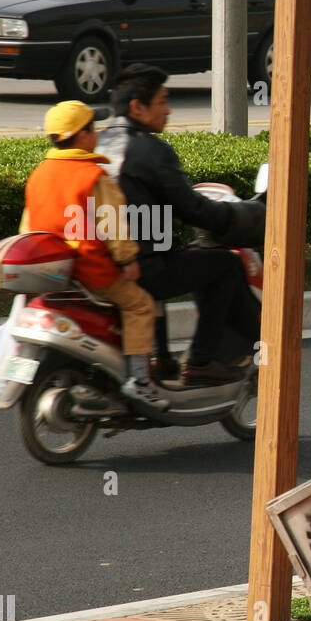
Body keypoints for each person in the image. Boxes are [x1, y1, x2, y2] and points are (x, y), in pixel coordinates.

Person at [98, 63, 262, 386]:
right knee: (225, 264)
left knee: (174, 257)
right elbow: (192, 208)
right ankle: (201, 361)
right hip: (139, 266)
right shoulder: (149, 150)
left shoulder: (99, 144)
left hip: (105, 263)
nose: (168, 111)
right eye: (162, 101)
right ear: (137, 107)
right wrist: (239, 217)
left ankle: (161, 359)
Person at [19, 100, 168, 411]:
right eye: (92, 127)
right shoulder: (92, 176)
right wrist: (128, 260)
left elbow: (28, 229)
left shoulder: (39, 175)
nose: (97, 133)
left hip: (56, 274)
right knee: (140, 305)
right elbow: (113, 225)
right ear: (82, 135)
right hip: (91, 269)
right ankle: (140, 381)